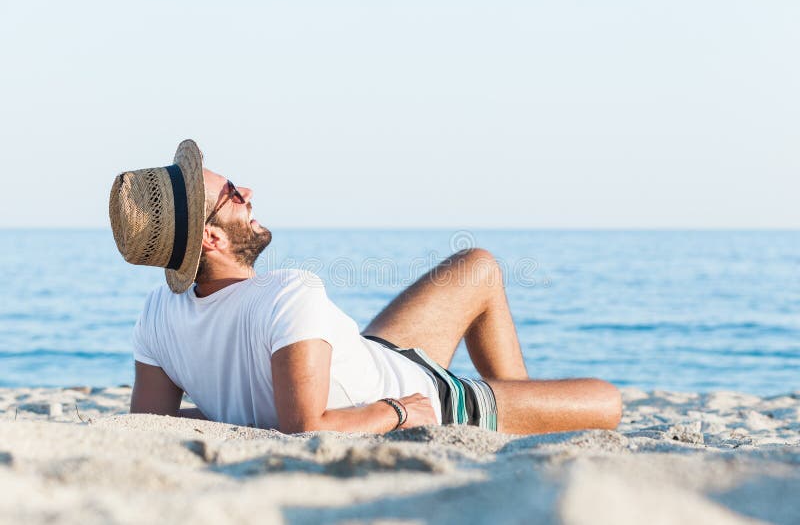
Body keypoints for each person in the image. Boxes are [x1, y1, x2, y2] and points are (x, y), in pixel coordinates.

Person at [109, 140, 621, 435]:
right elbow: (307, 430)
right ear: (211, 237)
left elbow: (153, 424)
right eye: (231, 194)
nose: (248, 192)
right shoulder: (289, 294)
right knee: (607, 403)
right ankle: (509, 416)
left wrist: (229, 414)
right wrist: (397, 411)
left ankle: (516, 405)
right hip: (430, 397)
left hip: (375, 357)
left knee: (477, 266)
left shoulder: (158, 312)